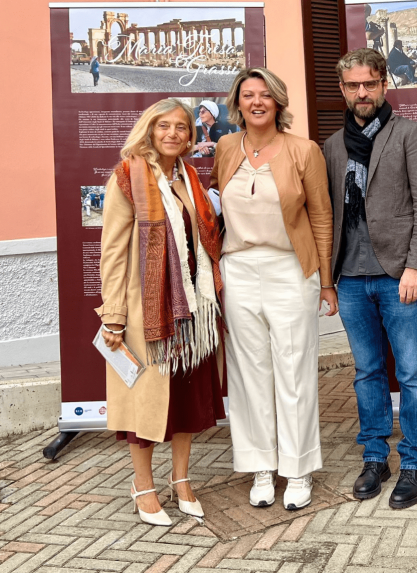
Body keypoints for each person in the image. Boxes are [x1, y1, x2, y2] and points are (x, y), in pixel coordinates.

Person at [212, 68, 336, 511]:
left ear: (279, 102)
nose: (257, 102)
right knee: (249, 375)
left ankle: (298, 469)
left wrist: (325, 280)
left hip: (290, 269)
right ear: (237, 103)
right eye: (248, 95)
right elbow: (216, 207)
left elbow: (321, 215)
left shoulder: (304, 150)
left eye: (265, 95)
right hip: (238, 270)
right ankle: (261, 466)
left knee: (294, 371)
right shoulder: (226, 148)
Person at [96, 98, 225, 526]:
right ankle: (143, 485)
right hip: (146, 310)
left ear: (190, 136)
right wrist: (113, 315)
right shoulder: (126, 176)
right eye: (163, 126)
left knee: (187, 398)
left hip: (193, 310)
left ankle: (181, 479)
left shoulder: (189, 177)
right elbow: (113, 251)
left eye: (181, 127)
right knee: (146, 402)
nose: (172, 133)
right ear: (149, 131)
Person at [323, 48, 417, 509]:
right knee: (367, 372)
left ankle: (415, 463)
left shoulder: (410, 134)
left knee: (412, 373)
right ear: (343, 90)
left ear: (384, 85)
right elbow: (327, 215)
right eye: (353, 85)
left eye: (369, 83)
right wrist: (327, 279)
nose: (362, 92)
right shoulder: (333, 146)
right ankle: (375, 457)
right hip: (350, 279)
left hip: (398, 276)